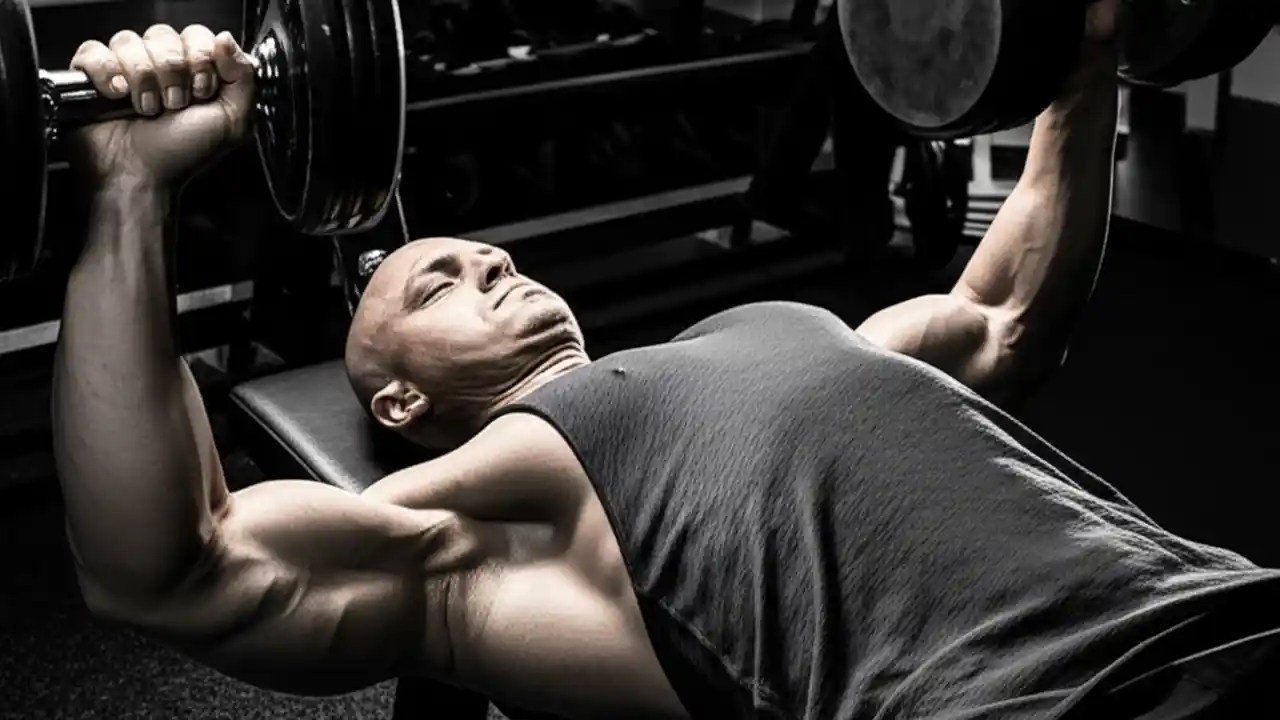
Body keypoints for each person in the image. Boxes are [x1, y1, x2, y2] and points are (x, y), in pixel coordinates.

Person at [53, 5, 1280, 719]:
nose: (495, 269)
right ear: (399, 396)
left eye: (488, 254)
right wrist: (129, 196)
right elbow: (173, 570)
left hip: (1227, 607)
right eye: (443, 283)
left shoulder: (783, 334)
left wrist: (1080, 62)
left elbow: (1005, 314)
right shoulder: (484, 519)